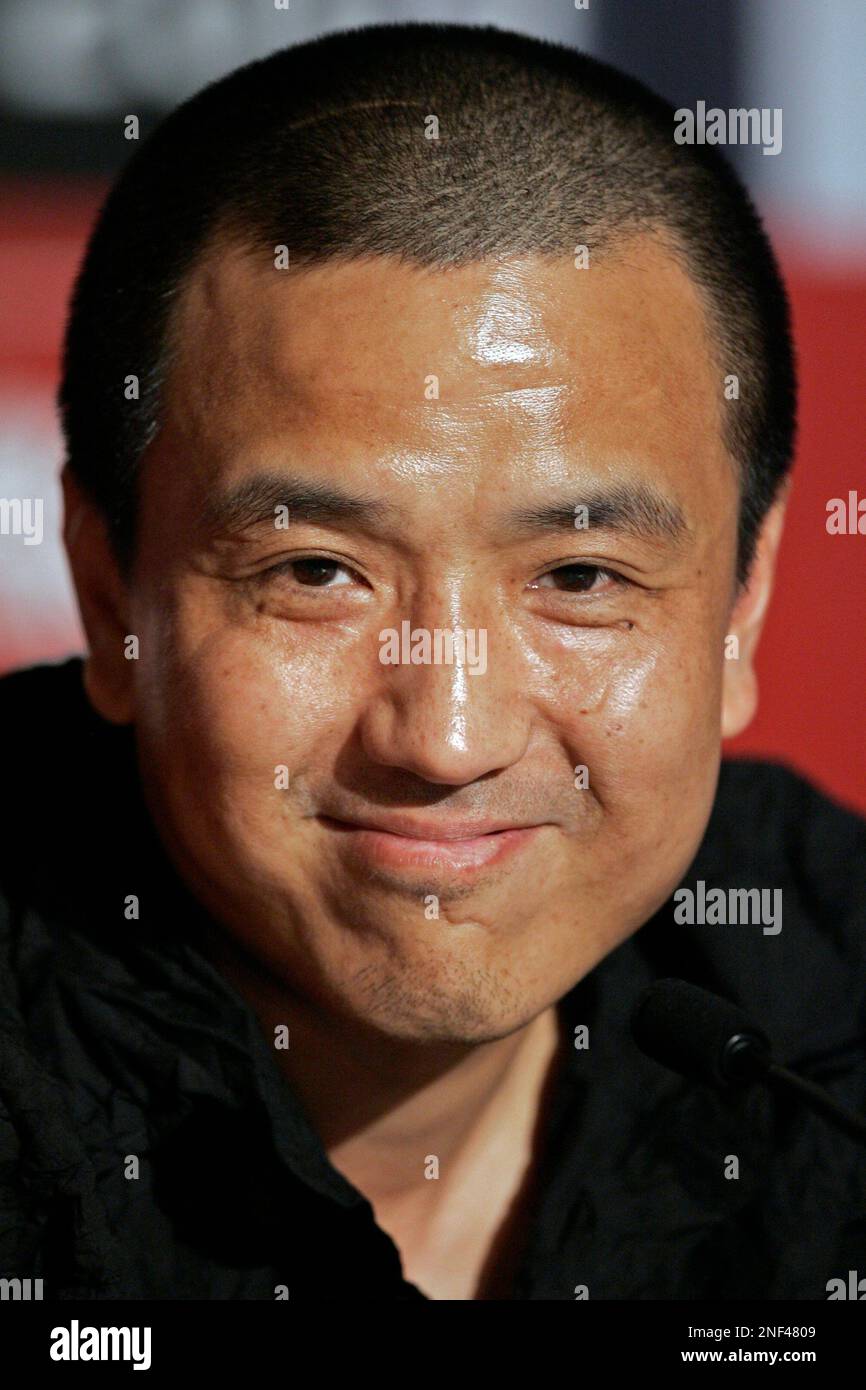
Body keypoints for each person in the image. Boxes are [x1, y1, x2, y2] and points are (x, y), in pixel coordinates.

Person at [1, 22, 863, 1302]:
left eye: (578, 579)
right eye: (313, 573)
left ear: (739, 605)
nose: (447, 734)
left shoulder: (830, 1016)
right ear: (106, 590)